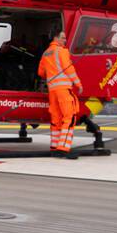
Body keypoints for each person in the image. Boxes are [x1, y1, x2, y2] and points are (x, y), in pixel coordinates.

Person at [38, 29, 83, 159]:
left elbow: (41, 72)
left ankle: (55, 147)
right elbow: (69, 68)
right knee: (70, 117)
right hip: (64, 89)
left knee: (56, 119)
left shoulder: (46, 53)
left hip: (52, 91)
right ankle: (63, 148)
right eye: (63, 38)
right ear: (56, 38)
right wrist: (78, 83)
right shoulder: (61, 51)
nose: (65, 41)